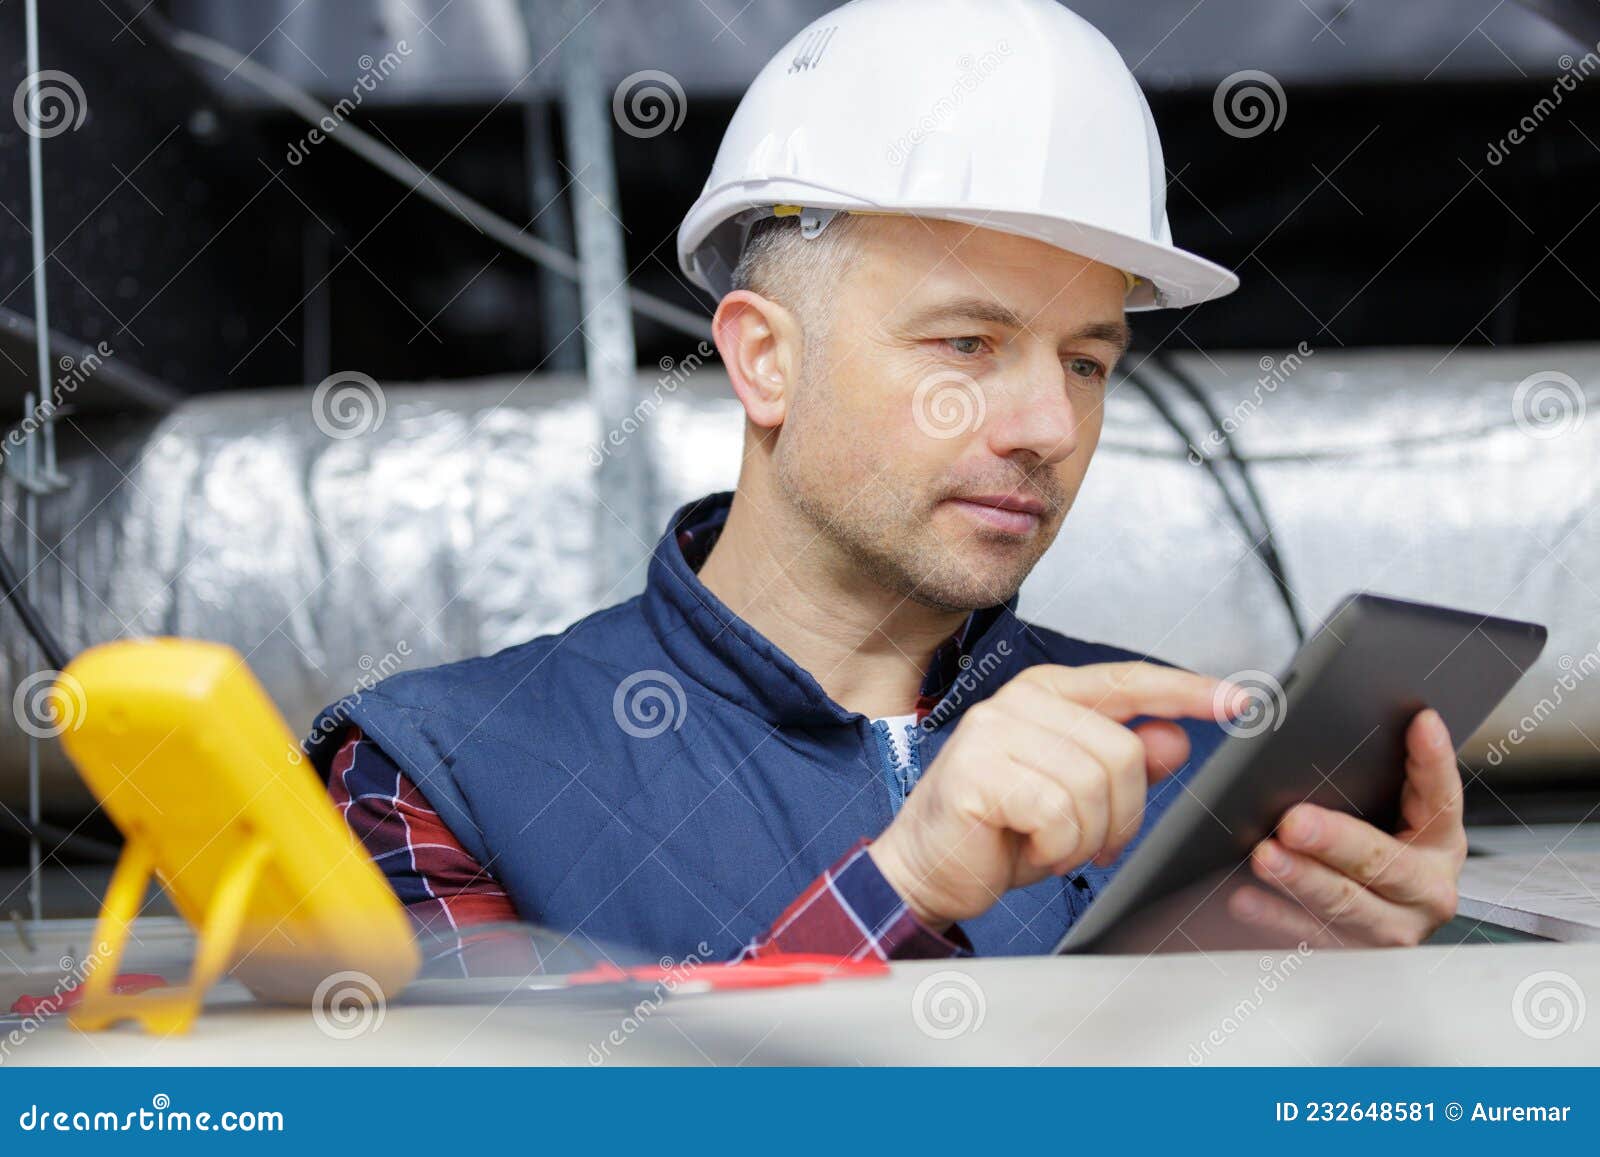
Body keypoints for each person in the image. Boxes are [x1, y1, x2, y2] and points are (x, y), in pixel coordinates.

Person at [306, 0, 1465, 972]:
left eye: (1086, 360)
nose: (1048, 427)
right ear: (764, 356)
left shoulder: (1201, 772)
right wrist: (901, 888)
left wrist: (1347, 1000)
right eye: (965, 344)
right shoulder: (446, 774)